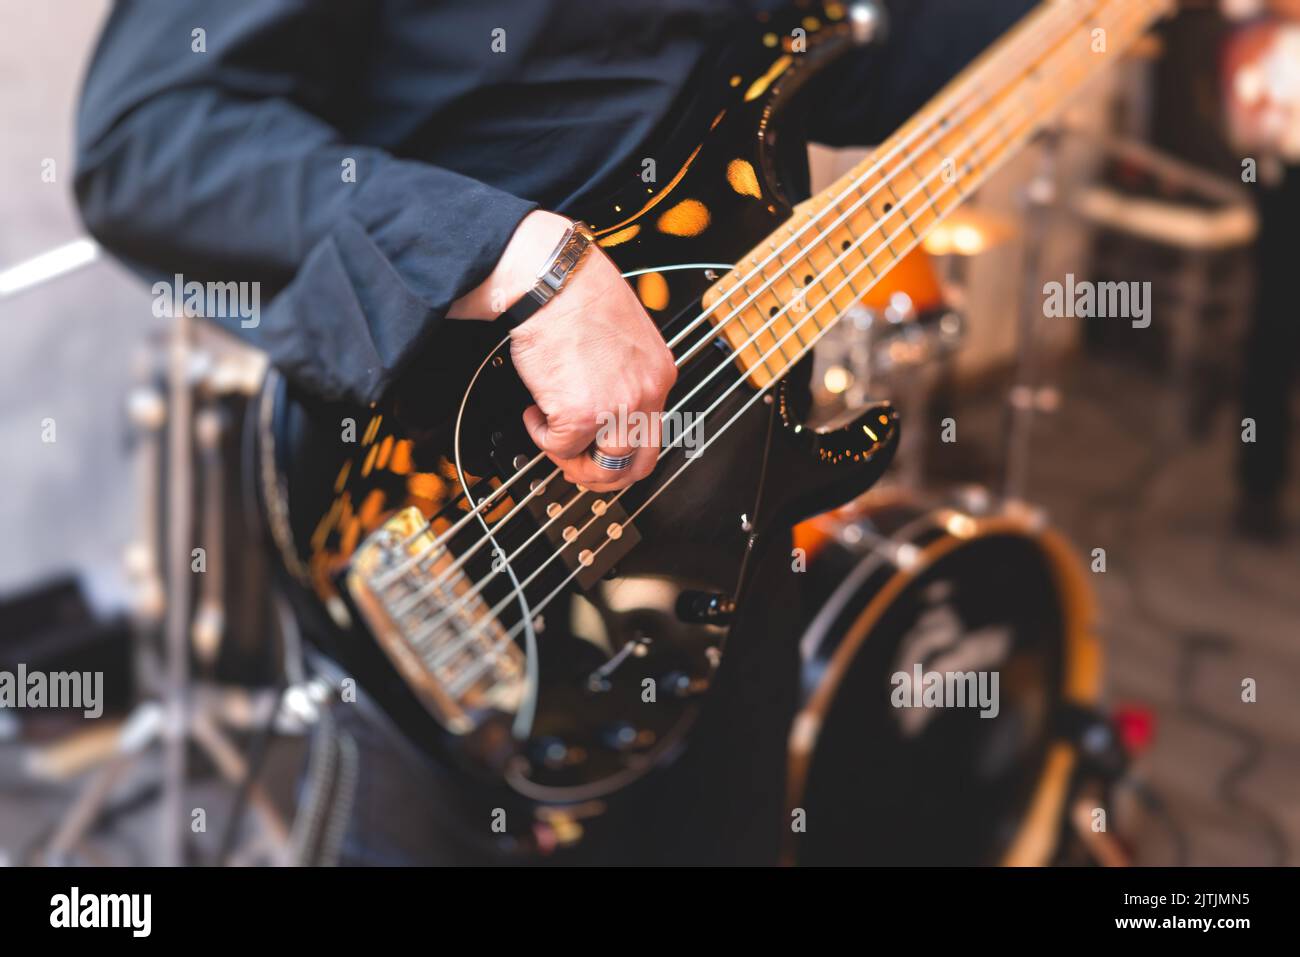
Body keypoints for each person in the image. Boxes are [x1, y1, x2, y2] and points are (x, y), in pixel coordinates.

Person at [75, 0, 1035, 864]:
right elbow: (152, 142)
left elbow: (854, 67)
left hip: (733, 534)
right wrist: (515, 261)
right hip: (443, 529)